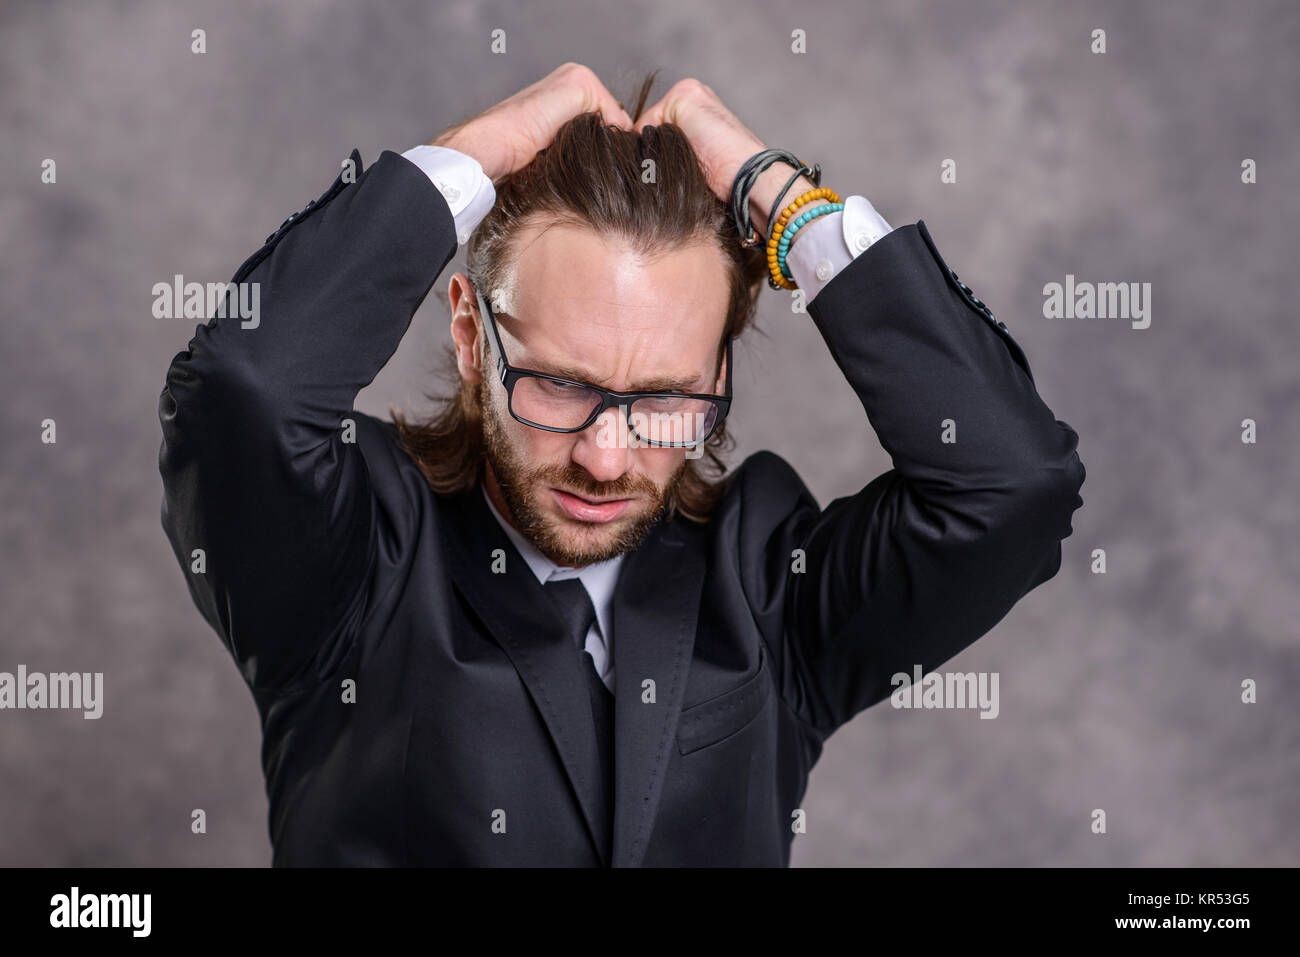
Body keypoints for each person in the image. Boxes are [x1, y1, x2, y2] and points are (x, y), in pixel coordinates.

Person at [157, 63, 1085, 866]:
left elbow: (1013, 483)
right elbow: (248, 390)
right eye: (561, 385)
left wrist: (782, 200)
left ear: (720, 369)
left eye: (665, 400)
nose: (606, 456)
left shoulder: (771, 584)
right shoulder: (351, 563)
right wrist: (481, 149)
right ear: (470, 335)